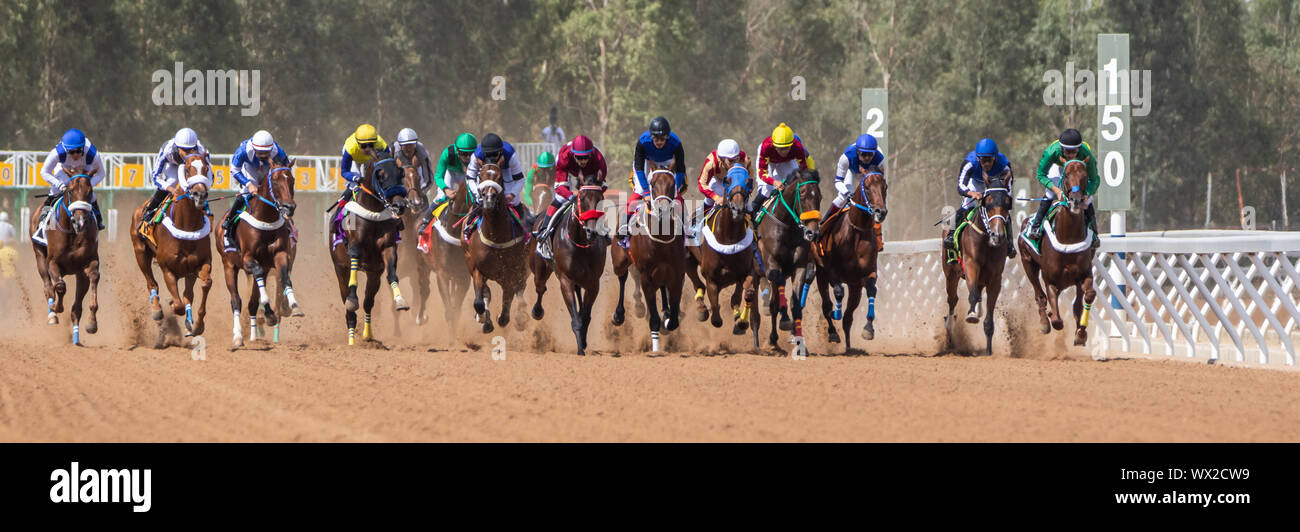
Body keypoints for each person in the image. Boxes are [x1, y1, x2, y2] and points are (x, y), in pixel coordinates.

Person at [1027, 128, 1101, 249]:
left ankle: (1094, 233)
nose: (1071, 155)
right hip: (1058, 167)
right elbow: (1040, 174)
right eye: (1067, 151)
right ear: (1061, 149)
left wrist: (1087, 193)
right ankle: (1036, 227)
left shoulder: (1087, 155)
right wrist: (1056, 190)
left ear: (1079, 149)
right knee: (1050, 194)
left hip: (1078, 170)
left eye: (1074, 151)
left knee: (1087, 200)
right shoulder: (1052, 152)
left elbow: (1095, 179)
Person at [535, 135, 607, 257]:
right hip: (569, 170)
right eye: (579, 157)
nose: (583, 161)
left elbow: (602, 186)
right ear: (573, 154)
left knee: (593, 200)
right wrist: (571, 196)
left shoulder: (599, 160)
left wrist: (589, 193)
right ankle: (545, 229)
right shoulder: (564, 157)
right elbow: (559, 188)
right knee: (561, 198)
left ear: (591, 154)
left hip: (590, 176)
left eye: (585, 157)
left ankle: (603, 231)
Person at [946, 138, 1016, 259]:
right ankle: (951, 235)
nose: (987, 164)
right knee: (966, 206)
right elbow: (961, 186)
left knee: (1003, 213)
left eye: (990, 160)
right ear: (978, 158)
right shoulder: (970, 163)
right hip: (975, 184)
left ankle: (1010, 244)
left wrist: (1001, 198)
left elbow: (1008, 186)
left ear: (995, 157)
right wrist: (973, 194)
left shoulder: (1004, 164)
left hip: (995, 184)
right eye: (984, 160)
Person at [222, 130, 289, 251]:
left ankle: (286, 221)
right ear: (253, 148)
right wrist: (249, 185)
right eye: (260, 153)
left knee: (274, 192)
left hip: (269, 168)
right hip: (250, 168)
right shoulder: (243, 150)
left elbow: (286, 168)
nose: (263, 156)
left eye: (266, 153)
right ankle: (229, 222)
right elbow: (234, 170)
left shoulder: (278, 151)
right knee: (246, 192)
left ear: (271, 148)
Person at [462, 133, 529, 239]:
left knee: (514, 201)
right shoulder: (477, 154)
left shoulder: (510, 154)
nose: (491, 158)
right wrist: (477, 193)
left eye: (494, 155)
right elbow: (470, 178)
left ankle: (525, 229)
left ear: (501, 152)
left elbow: (520, 179)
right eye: (488, 155)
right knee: (480, 201)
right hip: (485, 171)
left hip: (505, 170)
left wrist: (511, 196)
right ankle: (469, 226)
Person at [142, 128, 212, 227]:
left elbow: (210, 175)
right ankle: (150, 210)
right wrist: (170, 189)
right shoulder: (167, 149)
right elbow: (155, 176)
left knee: (198, 184)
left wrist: (202, 187)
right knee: (172, 181)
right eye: (185, 151)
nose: (189, 153)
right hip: (173, 165)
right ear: (177, 147)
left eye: (191, 150)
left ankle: (204, 209)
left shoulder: (202, 150)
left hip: (191, 167)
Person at [39, 129, 106, 230]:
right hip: (64, 165)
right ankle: (46, 212)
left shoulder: (93, 154)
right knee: (58, 187)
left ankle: (98, 217)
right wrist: (59, 185)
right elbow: (44, 172)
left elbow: (102, 173)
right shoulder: (57, 153)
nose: (75, 155)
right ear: (66, 150)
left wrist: (87, 185)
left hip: (85, 166)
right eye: (71, 152)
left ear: (83, 148)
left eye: (78, 151)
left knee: (88, 195)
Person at [626, 116, 686, 223]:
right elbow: (639, 169)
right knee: (639, 191)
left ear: (667, 137)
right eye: (656, 139)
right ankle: (623, 227)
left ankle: (686, 229)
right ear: (651, 136)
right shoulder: (643, 141)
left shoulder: (676, 143)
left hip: (667, 160)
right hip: (647, 160)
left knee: (675, 193)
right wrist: (647, 193)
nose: (659, 142)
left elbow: (681, 170)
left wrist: (675, 190)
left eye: (662, 139)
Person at [415, 132, 477, 233]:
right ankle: (425, 222)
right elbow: (438, 176)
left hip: (469, 175)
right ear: (457, 150)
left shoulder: (479, 155)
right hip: (451, 172)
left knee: (475, 197)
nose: (468, 158)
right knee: (441, 196)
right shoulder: (448, 153)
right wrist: (446, 189)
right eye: (464, 154)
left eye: (471, 153)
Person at [751, 122, 815, 213]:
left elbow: (804, 170)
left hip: (787, 161)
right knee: (767, 189)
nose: (784, 152)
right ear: (774, 145)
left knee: (794, 185)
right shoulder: (766, 147)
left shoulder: (797, 147)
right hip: (770, 161)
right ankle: (752, 211)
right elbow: (762, 174)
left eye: (786, 148)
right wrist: (774, 182)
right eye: (780, 148)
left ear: (792, 145)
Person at [693, 139, 753, 226]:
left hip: (737, 182)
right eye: (730, 161)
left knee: (749, 206)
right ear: (721, 159)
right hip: (718, 182)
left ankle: (755, 228)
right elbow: (702, 183)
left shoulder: (744, 159)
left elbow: (750, 178)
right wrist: (716, 197)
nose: (734, 163)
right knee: (709, 201)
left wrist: (748, 189)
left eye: (737, 159)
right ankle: (694, 224)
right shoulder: (711, 162)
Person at [831, 134, 885, 210]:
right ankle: (825, 220)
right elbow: (838, 181)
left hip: (869, 175)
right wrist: (847, 193)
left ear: (875, 153)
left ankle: (877, 221)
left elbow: (881, 184)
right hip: (851, 171)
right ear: (858, 152)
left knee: (875, 197)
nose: (867, 158)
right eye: (864, 154)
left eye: (870, 154)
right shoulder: (846, 157)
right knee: (842, 198)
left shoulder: (880, 160)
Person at [394, 127, 435, 205]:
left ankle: (427, 214)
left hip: (417, 169)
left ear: (415, 144)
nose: (409, 149)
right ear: (400, 145)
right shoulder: (394, 151)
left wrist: (420, 192)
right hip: (399, 169)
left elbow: (428, 179)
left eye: (411, 145)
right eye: (406, 146)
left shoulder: (422, 152)